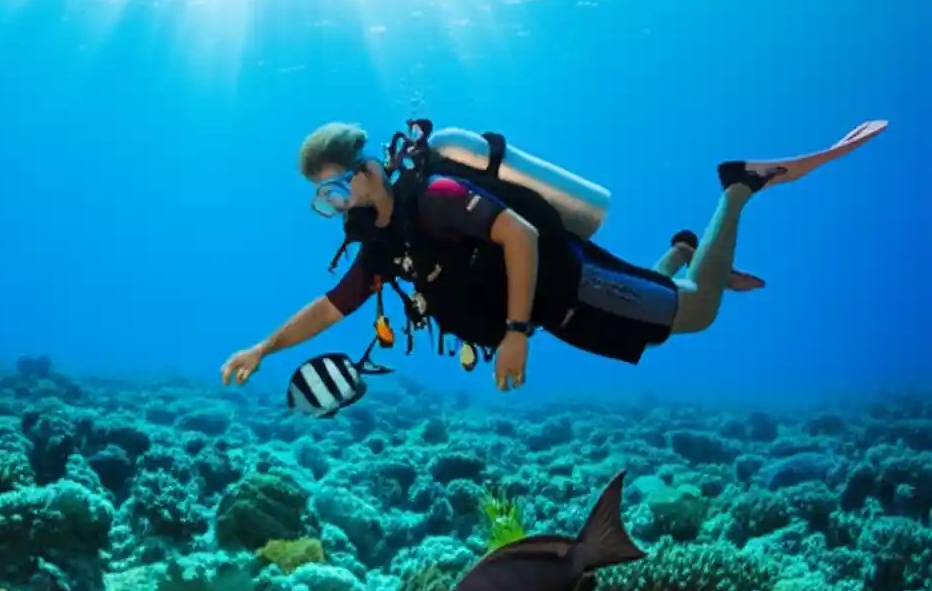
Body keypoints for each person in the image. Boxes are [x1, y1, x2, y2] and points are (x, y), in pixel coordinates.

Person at [220, 118, 884, 392]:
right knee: (648, 334)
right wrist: (262, 347)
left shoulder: (440, 197)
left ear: (365, 169)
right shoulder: (386, 244)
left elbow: (522, 237)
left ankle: (739, 187)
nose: (336, 205)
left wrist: (513, 337)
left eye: (337, 187)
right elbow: (332, 308)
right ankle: (684, 251)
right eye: (323, 198)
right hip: (556, 307)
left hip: (566, 286)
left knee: (696, 317)